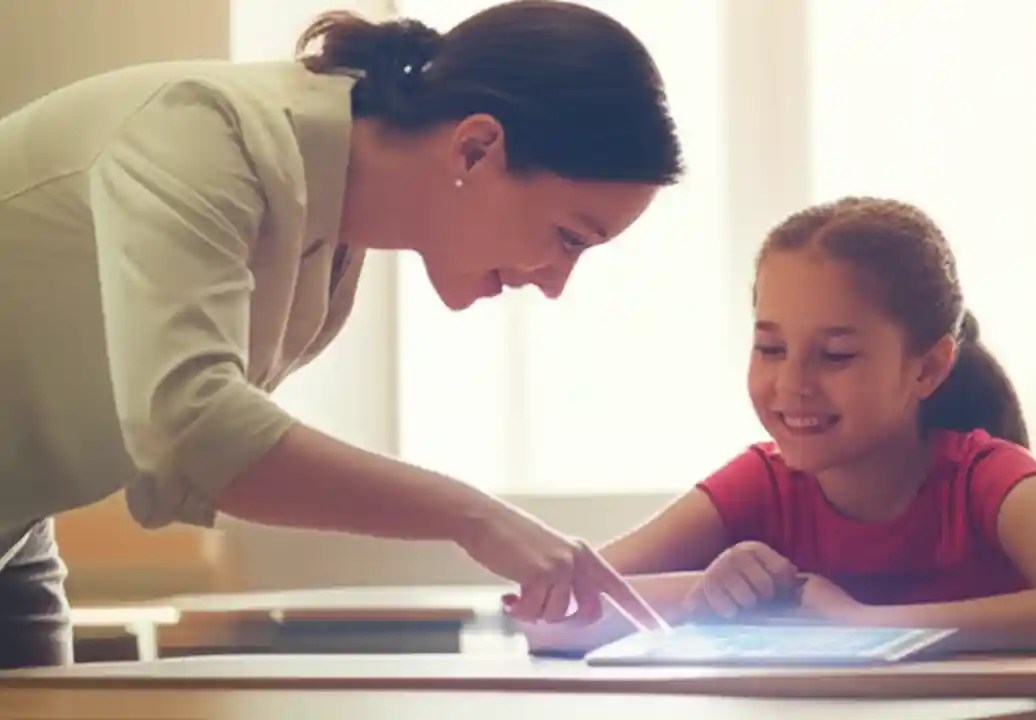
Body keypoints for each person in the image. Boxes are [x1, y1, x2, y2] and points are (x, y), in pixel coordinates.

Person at [0, 0, 678, 669]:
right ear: (476, 147)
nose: (556, 282)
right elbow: (191, 426)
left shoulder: (328, 238)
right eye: (568, 237)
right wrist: (479, 518)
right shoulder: (202, 132)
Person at [520, 197, 1036, 656]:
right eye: (771, 349)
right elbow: (548, 615)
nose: (793, 383)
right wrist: (698, 599)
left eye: (837, 355)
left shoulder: (986, 479)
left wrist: (870, 622)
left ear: (928, 367)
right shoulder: (760, 482)